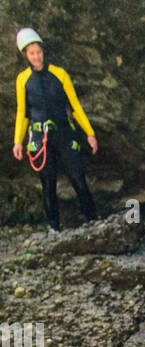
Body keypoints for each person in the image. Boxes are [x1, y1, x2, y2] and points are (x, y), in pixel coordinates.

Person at [12, 26, 98, 234]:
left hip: (64, 133)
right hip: (40, 137)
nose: (37, 57)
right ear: (26, 55)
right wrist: (17, 141)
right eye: (32, 53)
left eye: (39, 52)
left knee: (78, 177)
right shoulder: (23, 80)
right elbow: (23, 113)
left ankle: (93, 221)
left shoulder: (59, 74)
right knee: (48, 184)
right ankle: (54, 228)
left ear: (43, 51)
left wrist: (90, 133)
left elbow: (75, 107)